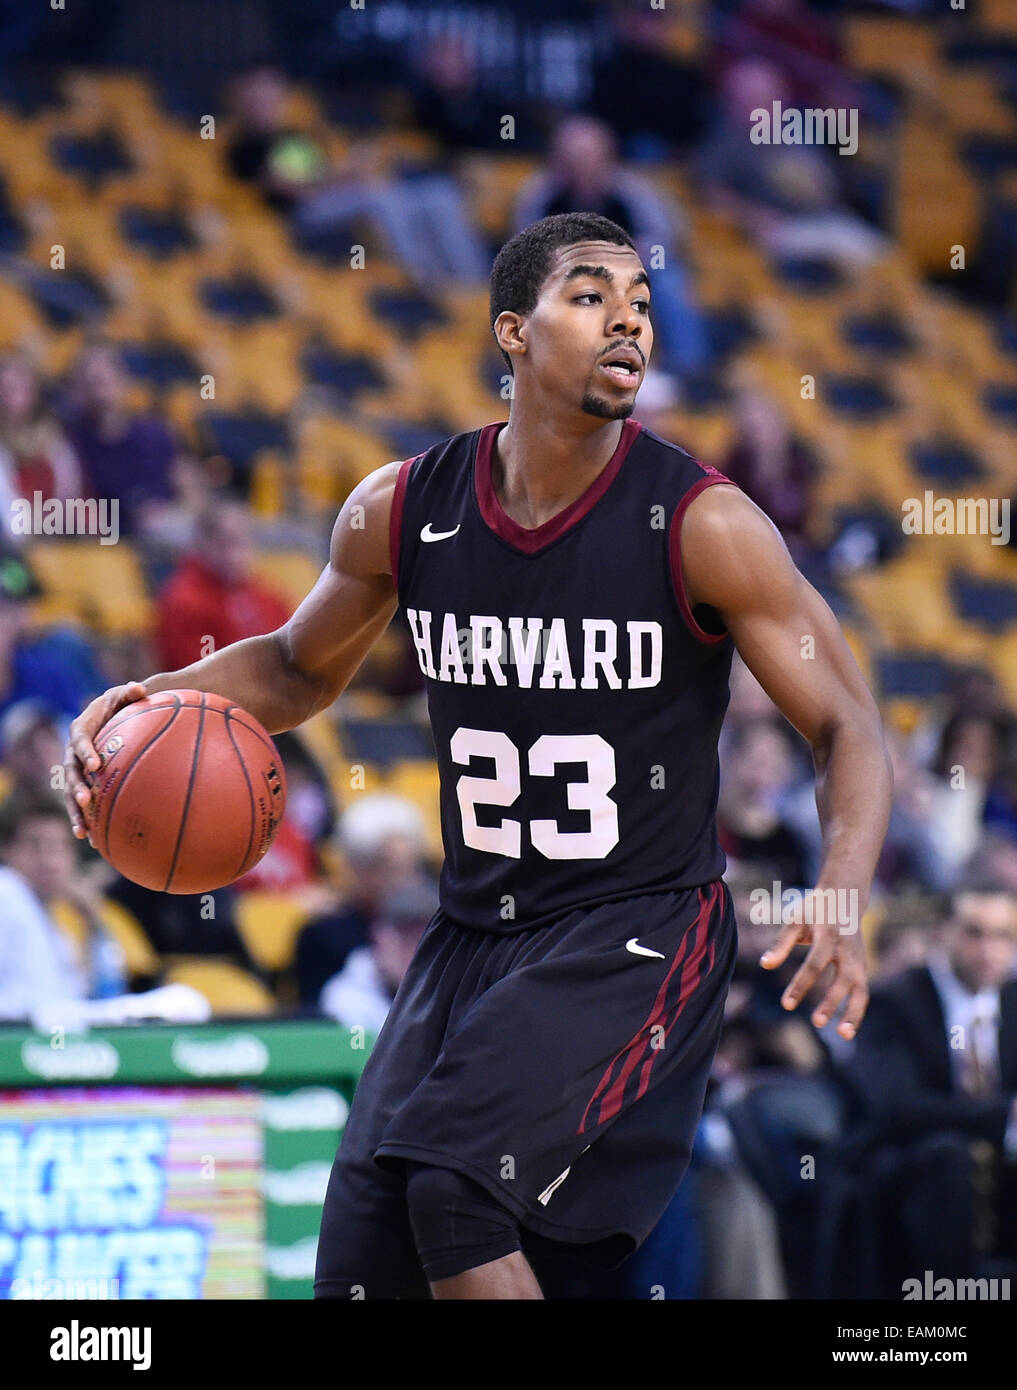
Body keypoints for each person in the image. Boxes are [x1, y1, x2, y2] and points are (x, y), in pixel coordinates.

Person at [63, 212, 891, 1301]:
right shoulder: (401, 508)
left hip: (636, 929)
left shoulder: (702, 523)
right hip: (472, 938)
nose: (628, 317)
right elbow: (299, 670)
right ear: (513, 329)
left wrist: (837, 894)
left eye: (640, 300)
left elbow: (847, 726)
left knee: (457, 1191)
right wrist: (145, 700)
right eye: (591, 294)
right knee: (362, 1269)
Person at [154, 501, 292, 672]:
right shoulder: (185, 602)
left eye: (243, 542)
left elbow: (291, 655)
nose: (236, 555)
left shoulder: (269, 596)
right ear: (202, 544)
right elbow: (199, 675)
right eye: (226, 544)